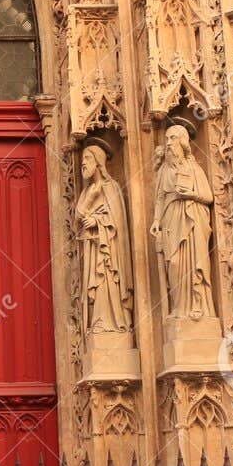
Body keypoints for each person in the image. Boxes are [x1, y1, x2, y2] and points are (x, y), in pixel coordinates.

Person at [150, 121, 217, 319]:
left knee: (195, 261)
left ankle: (199, 305)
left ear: (183, 142)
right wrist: (156, 221)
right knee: (175, 264)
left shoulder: (194, 168)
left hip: (193, 219)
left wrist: (191, 194)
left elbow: (208, 197)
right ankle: (179, 307)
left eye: (173, 138)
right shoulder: (164, 171)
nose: (168, 143)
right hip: (171, 220)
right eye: (167, 139)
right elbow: (160, 198)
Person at [76, 142, 133, 334]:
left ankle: (112, 324)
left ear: (98, 162)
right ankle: (99, 321)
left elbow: (118, 222)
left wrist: (98, 222)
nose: (82, 163)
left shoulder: (111, 187)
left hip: (108, 251)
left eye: (87, 158)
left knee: (106, 281)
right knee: (96, 284)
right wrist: (91, 199)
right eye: (82, 159)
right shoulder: (88, 191)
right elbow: (79, 215)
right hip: (93, 249)